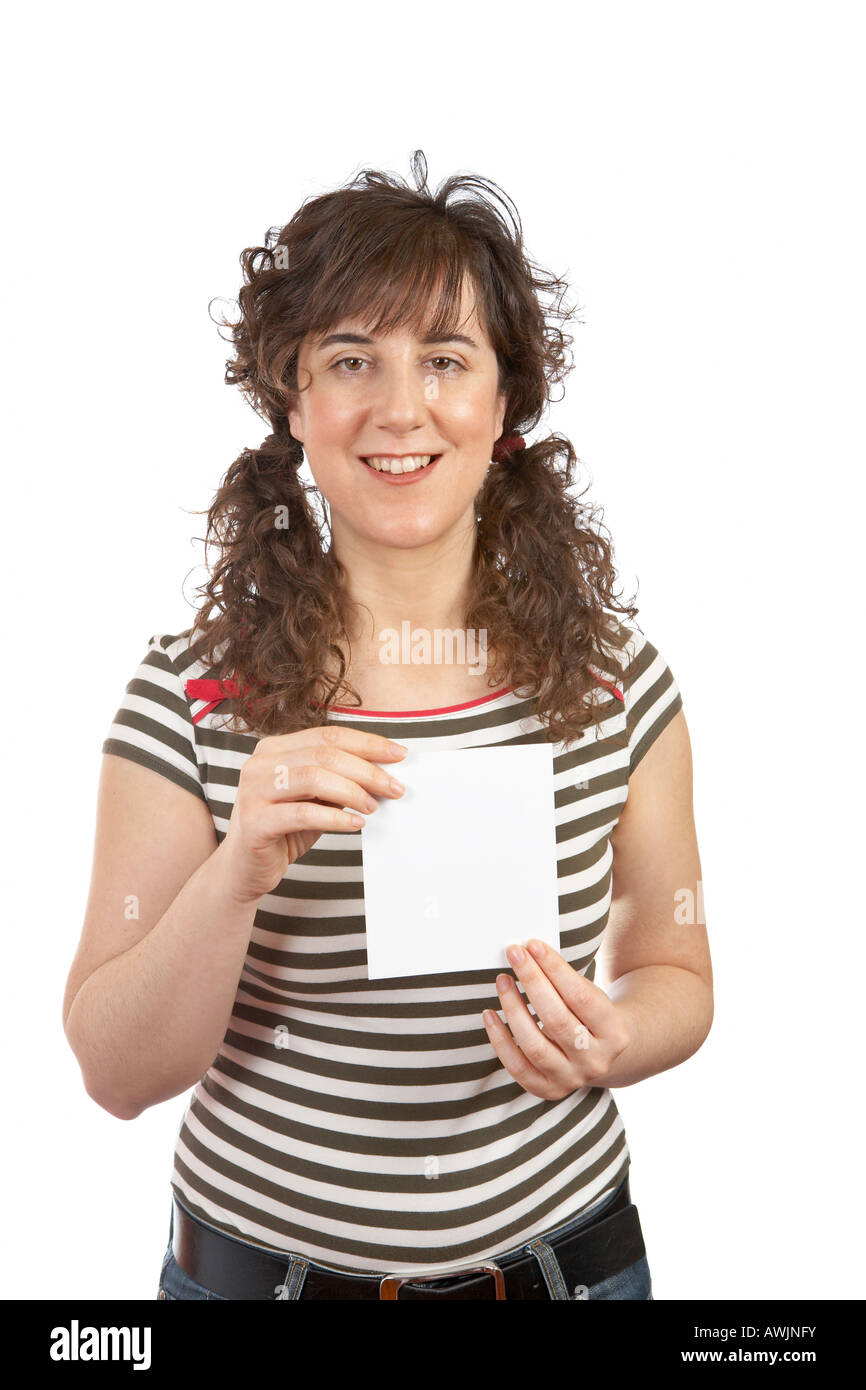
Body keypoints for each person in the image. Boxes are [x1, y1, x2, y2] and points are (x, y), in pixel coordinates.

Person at [62, 151, 712, 1301]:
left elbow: (671, 965)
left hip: (569, 1269)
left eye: (445, 359)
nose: (399, 408)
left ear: (500, 404)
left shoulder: (618, 681)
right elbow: (114, 1071)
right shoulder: (190, 696)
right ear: (293, 400)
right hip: (256, 1281)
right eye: (350, 359)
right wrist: (237, 872)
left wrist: (614, 1038)